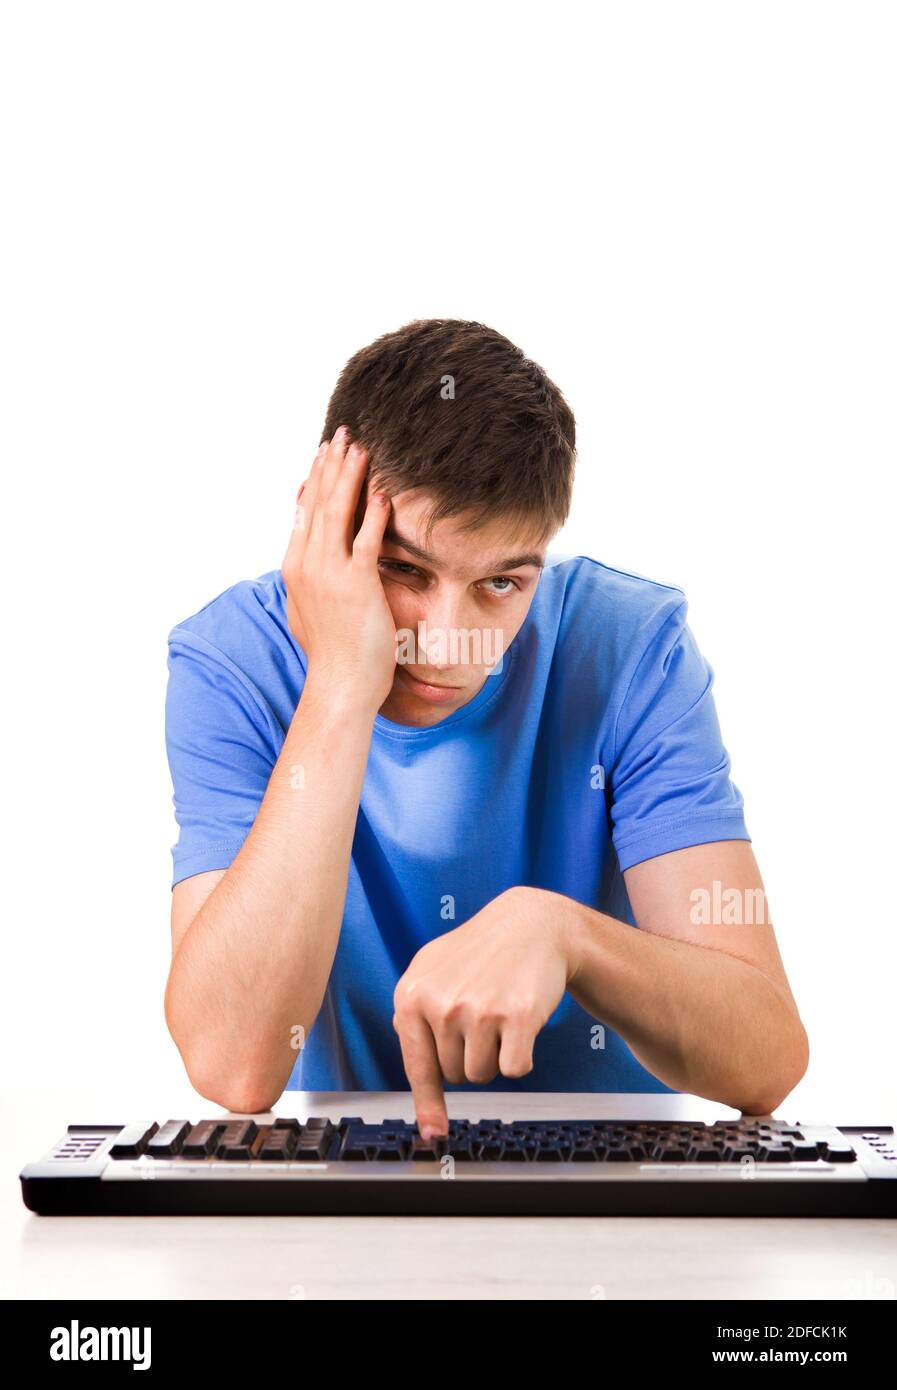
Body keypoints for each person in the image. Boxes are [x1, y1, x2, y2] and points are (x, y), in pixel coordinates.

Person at [164, 318, 808, 1139]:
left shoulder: (628, 648)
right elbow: (233, 1067)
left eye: (501, 582)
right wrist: (338, 684)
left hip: (614, 1201)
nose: (443, 642)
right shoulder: (233, 662)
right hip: (342, 1209)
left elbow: (766, 1058)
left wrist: (565, 933)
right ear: (323, 528)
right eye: (403, 570)